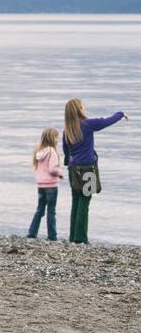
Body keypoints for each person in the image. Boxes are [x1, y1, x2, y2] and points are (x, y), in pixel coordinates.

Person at [63, 98, 128, 245]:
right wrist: (121, 113)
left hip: (73, 169)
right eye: (82, 107)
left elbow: (66, 152)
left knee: (76, 201)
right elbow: (106, 121)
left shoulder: (66, 130)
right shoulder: (87, 124)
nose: (84, 109)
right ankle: (80, 238)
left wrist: (69, 163)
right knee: (85, 201)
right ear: (79, 110)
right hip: (88, 170)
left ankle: (73, 236)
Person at [28, 127, 63, 241]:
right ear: (52, 138)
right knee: (51, 211)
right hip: (51, 185)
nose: (58, 140)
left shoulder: (39, 152)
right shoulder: (52, 152)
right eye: (57, 137)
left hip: (41, 185)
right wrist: (60, 173)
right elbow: (52, 169)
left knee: (40, 210)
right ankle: (52, 236)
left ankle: (32, 233)